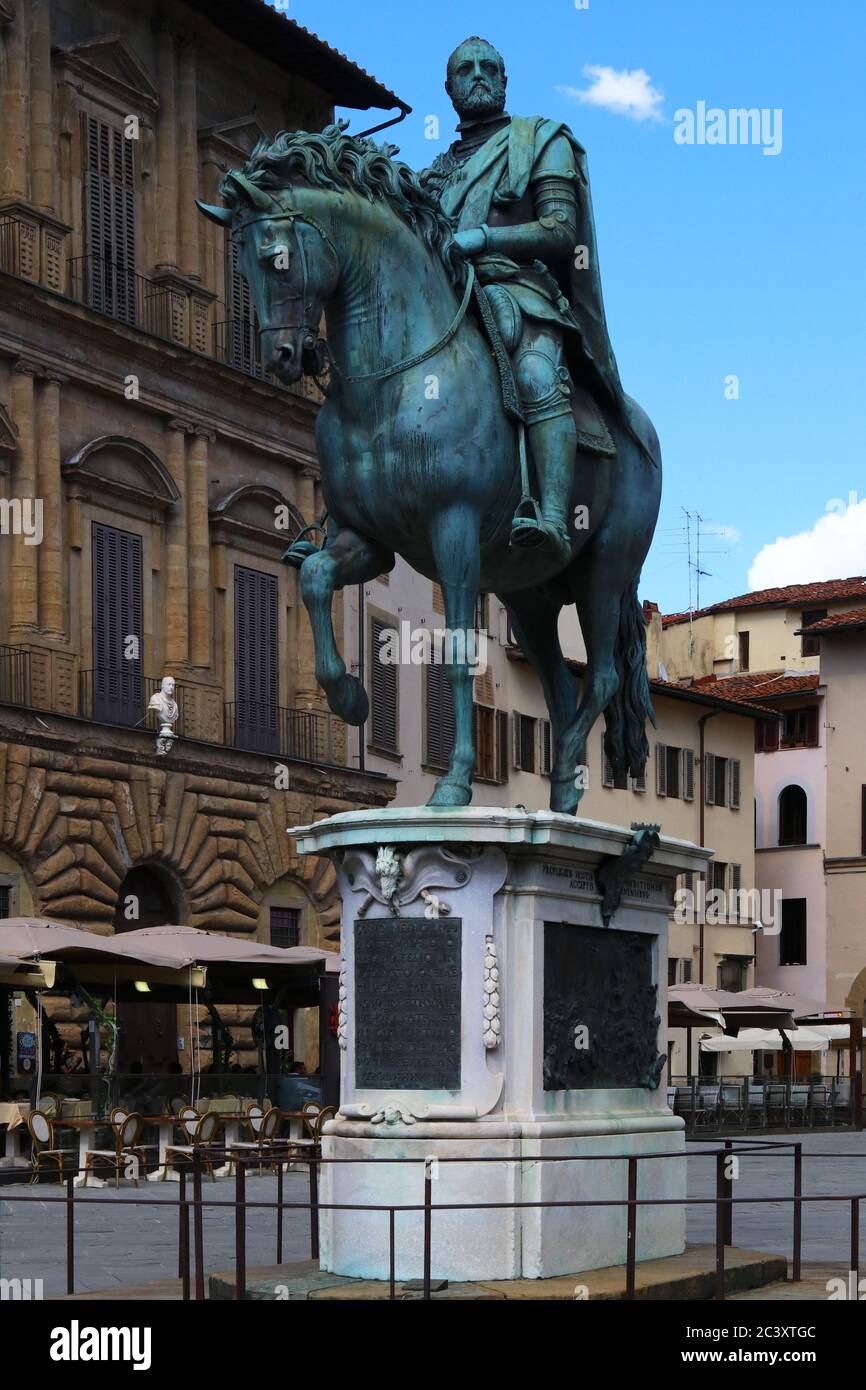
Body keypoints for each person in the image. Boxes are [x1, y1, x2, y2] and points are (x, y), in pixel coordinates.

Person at [420, 37, 642, 563]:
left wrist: (487, 240)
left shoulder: (542, 140)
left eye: (488, 68)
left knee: (538, 377)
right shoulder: (434, 173)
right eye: (464, 69)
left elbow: (562, 230)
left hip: (521, 293)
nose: (477, 75)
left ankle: (552, 517)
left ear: (504, 81)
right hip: (449, 298)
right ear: (448, 87)